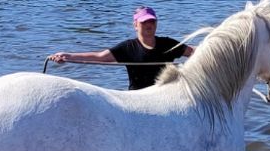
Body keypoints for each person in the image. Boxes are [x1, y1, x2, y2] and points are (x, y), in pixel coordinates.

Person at [47, 6, 194, 90]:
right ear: (135, 25)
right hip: (138, 97)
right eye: (144, 22)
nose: (149, 25)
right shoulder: (128, 47)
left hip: (165, 95)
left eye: (152, 21)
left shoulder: (168, 44)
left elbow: (194, 52)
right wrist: (68, 56)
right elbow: (100, 57)